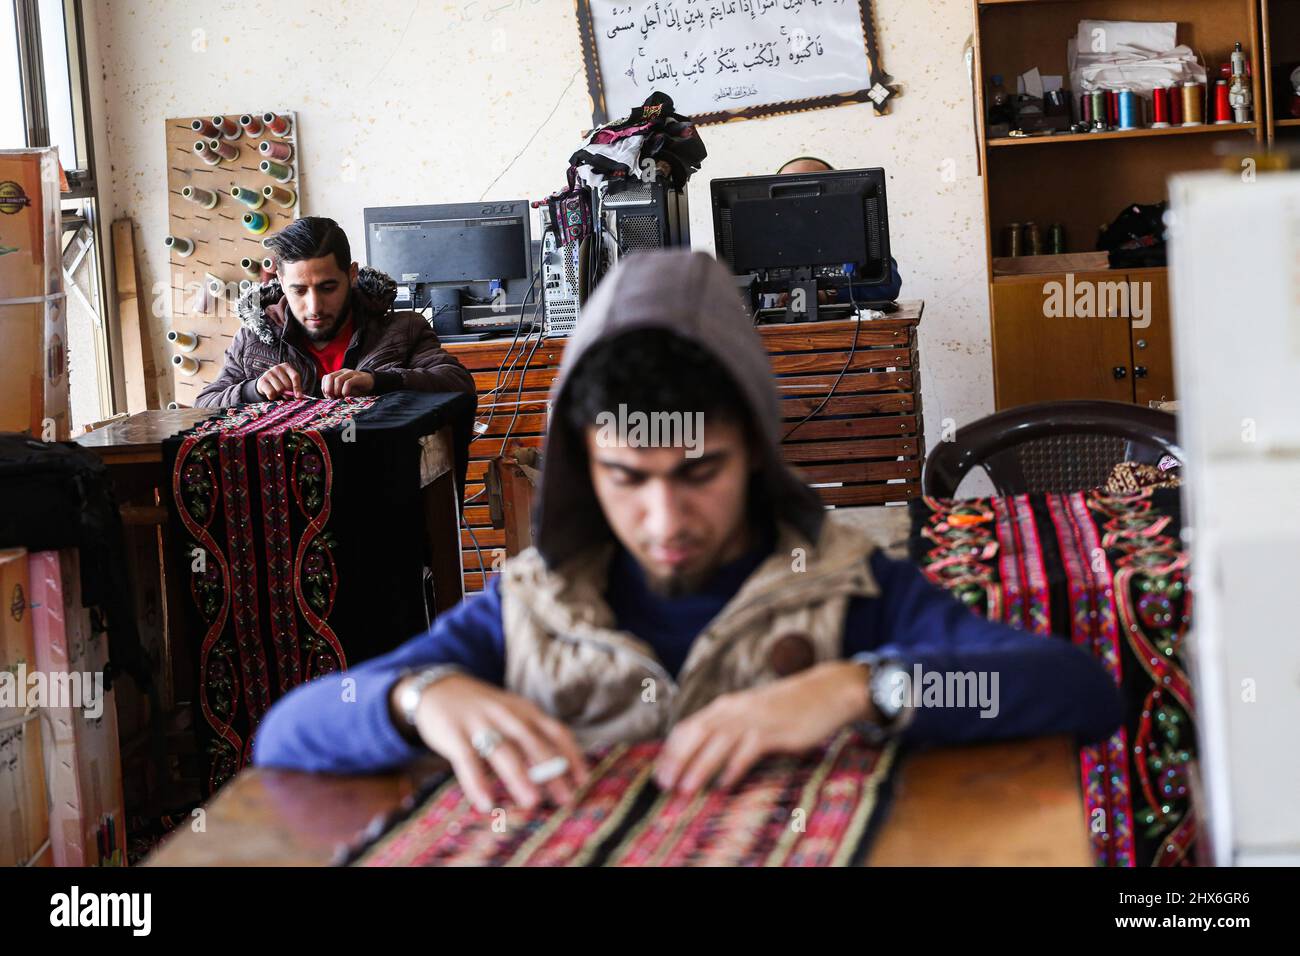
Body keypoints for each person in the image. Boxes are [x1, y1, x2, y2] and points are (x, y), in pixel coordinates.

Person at [253, 250, 1121, 813]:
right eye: (628, 479)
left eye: (699, 474)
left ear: (754, 455)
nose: (664, 521)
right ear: (585, 474)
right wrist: (417, 697)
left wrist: (865, 690)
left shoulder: (839, 586)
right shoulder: (532, 608)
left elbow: (1074, 688)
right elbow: (290, 729)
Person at [195, 216, 475, 407]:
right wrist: (252, 390)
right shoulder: (252, 340)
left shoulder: (404, 330)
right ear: (281, 282)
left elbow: (458, 384)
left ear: (352, 275)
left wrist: (378, 381)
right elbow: (204, 405)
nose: (314, 306)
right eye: (299, 291)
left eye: (327, 288)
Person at [776, 155, 903, 303]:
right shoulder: (760, 240)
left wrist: (829, 295)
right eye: (788, 190)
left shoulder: (855, 234)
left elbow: (888, 286)